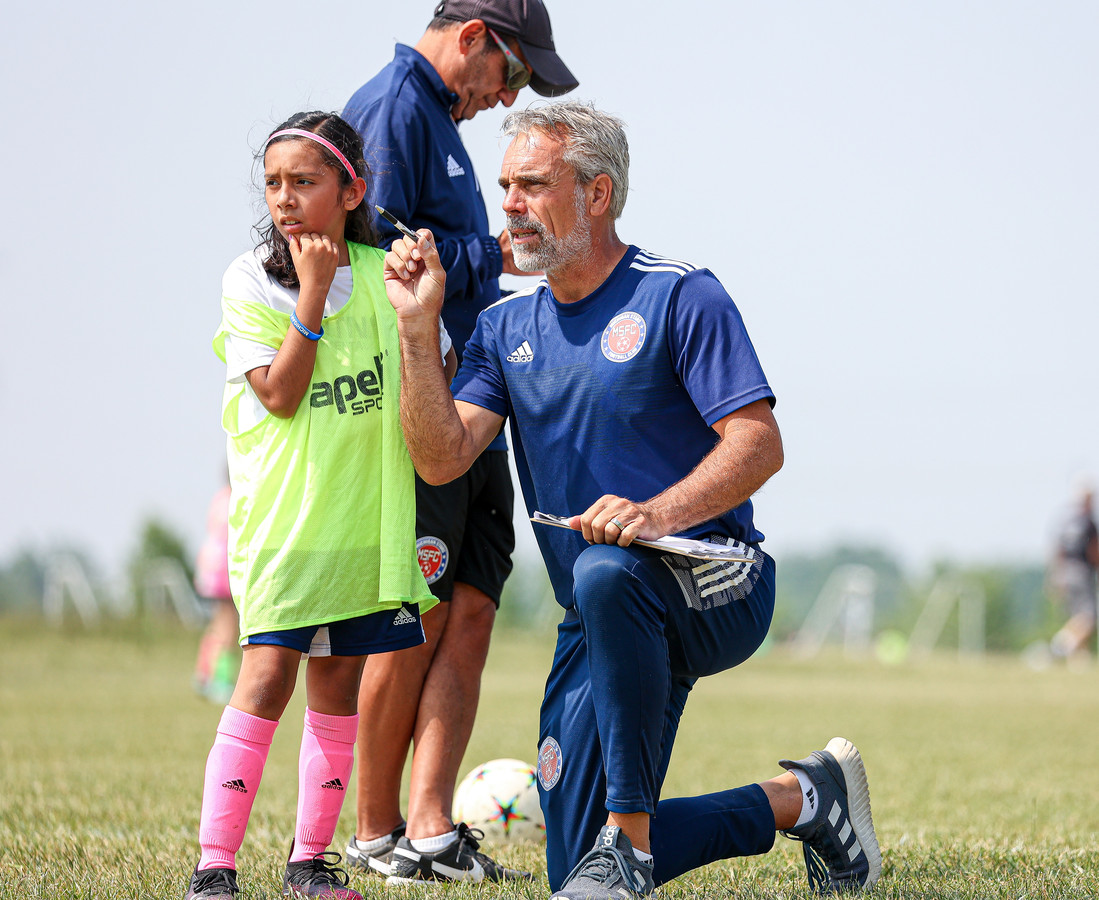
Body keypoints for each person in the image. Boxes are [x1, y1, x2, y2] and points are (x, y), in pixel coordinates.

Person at [381, 100, 882, 898]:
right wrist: (416, 331)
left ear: (597, 194)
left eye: (533, 184)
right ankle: (804, 800)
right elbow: (441, 461)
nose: (508, 203)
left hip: (715, 577)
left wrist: (655, 516)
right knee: (575, 873)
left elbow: (759, 444)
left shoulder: (681, 295)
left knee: (610, 570)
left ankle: (631, 837)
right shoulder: (503, 325)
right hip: (597, 610)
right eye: (503, 184)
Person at [340, 0, 577, 885]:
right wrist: (497, 256)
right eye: (511, 73)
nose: (504, 95)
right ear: (476, 36)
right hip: (424, 411)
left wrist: (488, 257)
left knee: (471, 605)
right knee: (417, 617)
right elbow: (380, 257)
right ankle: (375, 832)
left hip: (478, 403)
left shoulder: (436, 117)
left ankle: (432, 825)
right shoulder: (395, 105)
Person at [183, 111, 439, 900]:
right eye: (273, 183)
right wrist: (316, 292)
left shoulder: (384, 271)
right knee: (263, 682)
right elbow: (284, 396)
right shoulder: (249, 278)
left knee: (336, 694)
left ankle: (308, 865)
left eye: (304, 181)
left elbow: (429, 379)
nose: (285, 199)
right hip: (283, 532)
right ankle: (214, 870)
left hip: (366, 532)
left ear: (351, 188)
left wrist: (421, 304)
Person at [192, 481, 239, 705]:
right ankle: (221, 682)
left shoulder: (219, 497)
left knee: (218, 623)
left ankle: (203, 673)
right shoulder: (238, 495)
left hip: (210, 565)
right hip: (225, 568)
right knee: (228, 628)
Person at [1048, 483, 1099, 660]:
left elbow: (1058, 551)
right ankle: (1057, 649)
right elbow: (1094, 551)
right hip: (1083, 572)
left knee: (1077, 616)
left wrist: (1055, 577)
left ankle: (1079, 658)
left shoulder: (1066, 522)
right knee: (1088, 617)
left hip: (1065, 572)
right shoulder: (1088, 522)